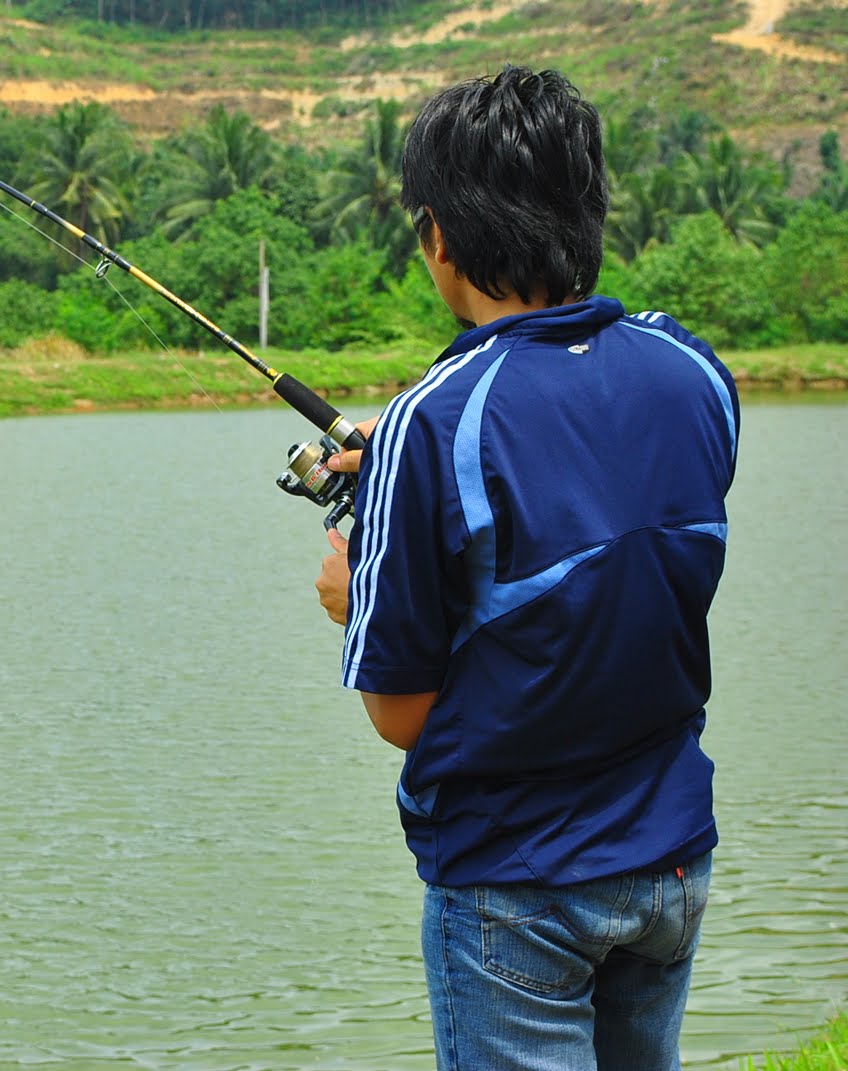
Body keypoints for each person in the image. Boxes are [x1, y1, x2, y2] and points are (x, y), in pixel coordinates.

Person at [314, 65, 738, 1071]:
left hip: (518, 888)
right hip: (674, 863)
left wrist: (348, 593)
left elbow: (401, 715)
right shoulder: (693, 371)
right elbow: (609, 532)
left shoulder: (434, 420)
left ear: (439, 239)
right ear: (589, 212)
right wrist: (415, 474)